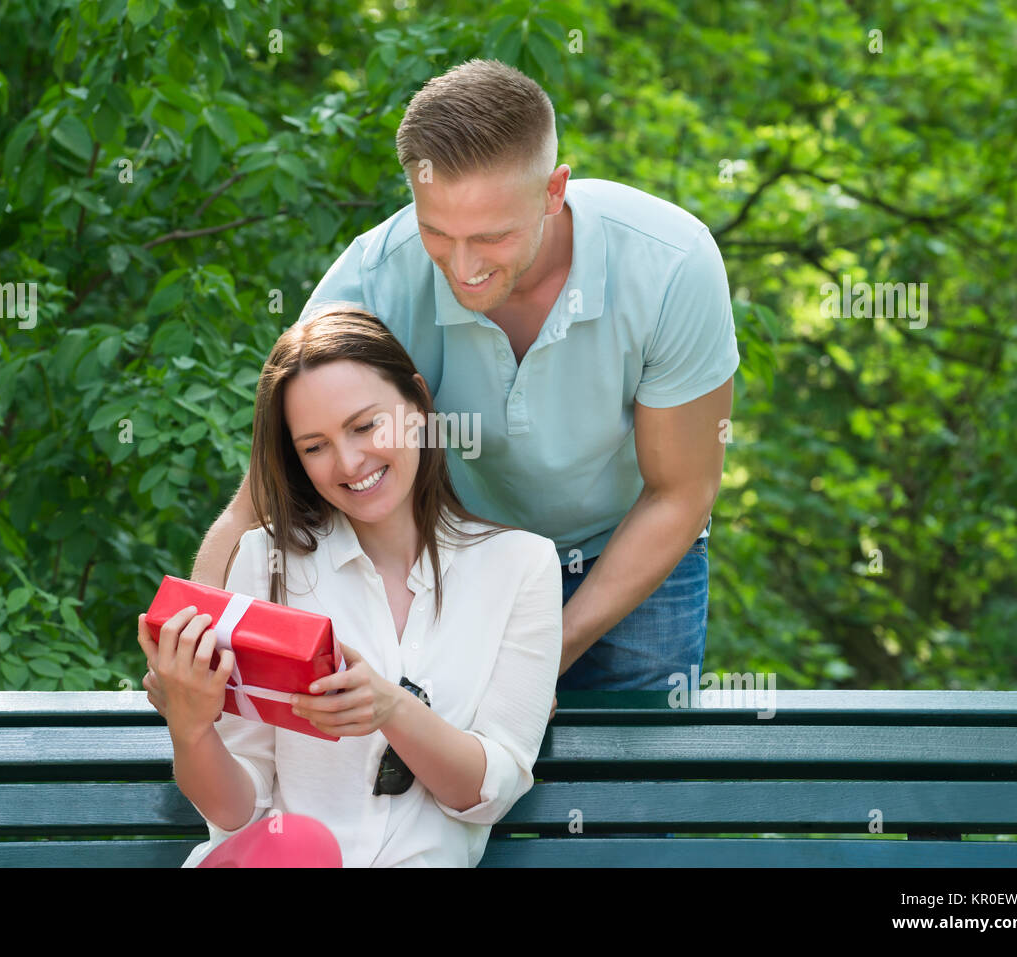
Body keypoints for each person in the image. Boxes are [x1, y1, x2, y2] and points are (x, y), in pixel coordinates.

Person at [188, 59, 737, 695]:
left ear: (554, 191)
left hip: (632, 549)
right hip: (460, 556)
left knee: (638, 782)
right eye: (436, 233)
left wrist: (536, 658)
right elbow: (261, 502)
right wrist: (194, 632)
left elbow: (680, 492)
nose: (463, 266)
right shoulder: (373, 282)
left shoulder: (673, 264)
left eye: (492, 236)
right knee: (439, 782)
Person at [136, 307, 562, 867]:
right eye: (315, 446)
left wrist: (391, 709)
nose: (350, 461)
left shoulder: (522, 566)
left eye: (365, 426)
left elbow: (487, 794)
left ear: (415, 404)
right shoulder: (267, 561)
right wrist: (190, 730)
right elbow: (240, 812)